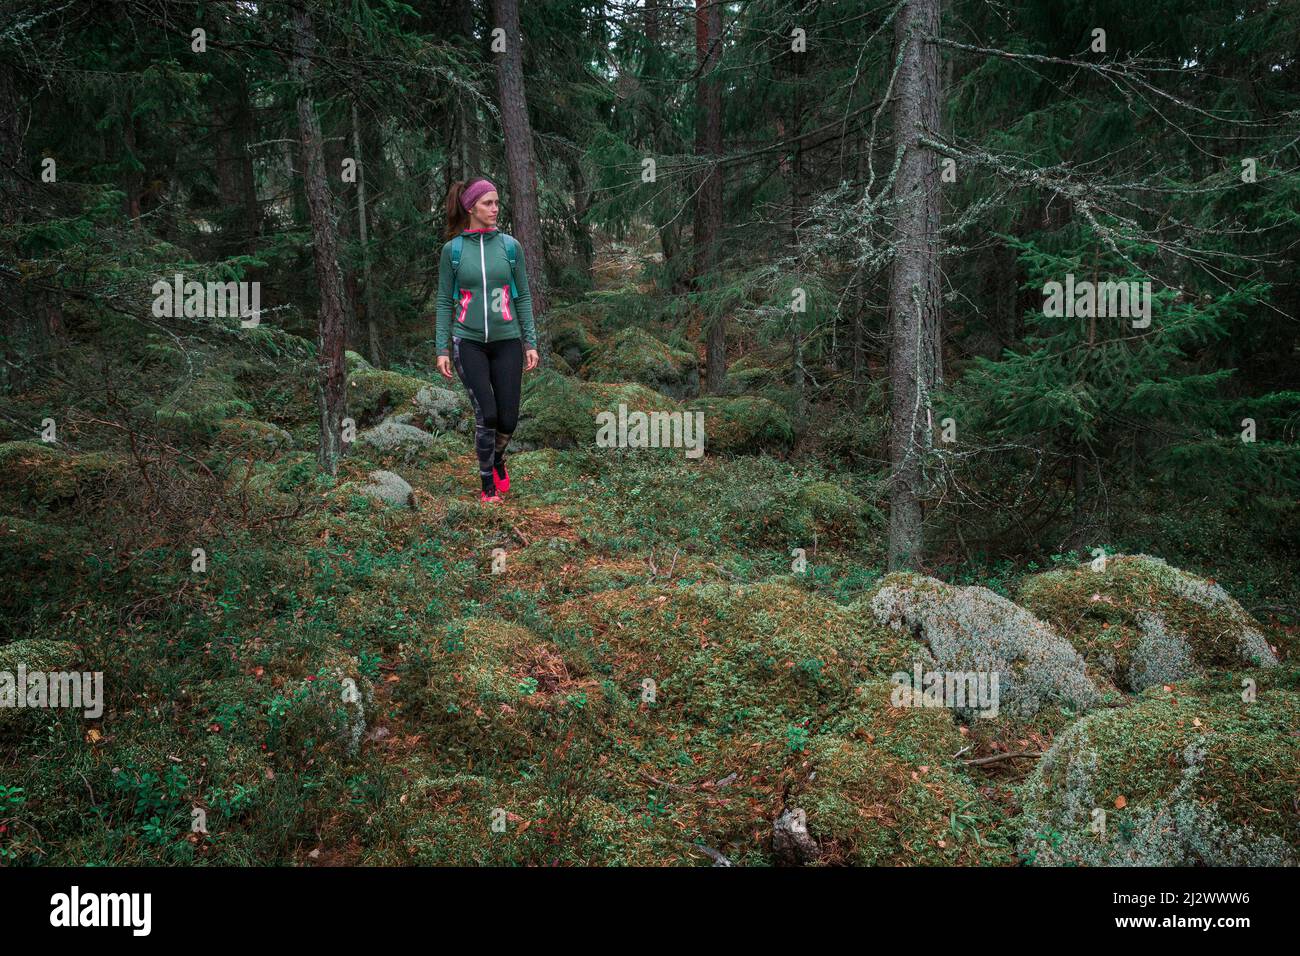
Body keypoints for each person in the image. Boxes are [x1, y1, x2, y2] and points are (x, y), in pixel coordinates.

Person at [434, 177, 540, 503]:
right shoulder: (453, 252)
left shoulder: (510, 248)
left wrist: (530, 342)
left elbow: (521, 297)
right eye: (488, 203)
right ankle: (487, 488)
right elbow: (443, 301)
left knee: (508, 418)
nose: (495, 209)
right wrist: (441, 349)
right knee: (488, 415)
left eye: (496, 203)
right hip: (468, 343)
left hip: (507, 340)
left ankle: (497, 458)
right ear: (471, 207)